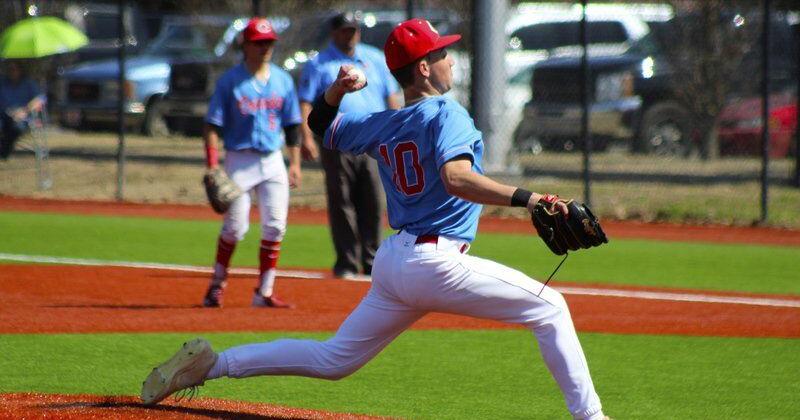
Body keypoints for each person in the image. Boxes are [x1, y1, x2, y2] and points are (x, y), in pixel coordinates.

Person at [142, 19, 609, 420]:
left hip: (395, 263)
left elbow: (321, 126)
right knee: (551, 309)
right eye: (443, 53)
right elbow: (456, 178)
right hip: (435, 262)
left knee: (333, 359)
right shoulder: (448, 112)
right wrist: (530, 199)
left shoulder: (384, 121)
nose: (451, 60)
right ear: (424, 67)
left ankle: (213, 363)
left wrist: (336, 90)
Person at [200, 17, 302, 309]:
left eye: (269, 42)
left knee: (275, 226)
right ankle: (216, 285)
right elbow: (212, 126)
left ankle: (264, 292)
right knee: (235, 228)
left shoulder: (282, 80)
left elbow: (293, 126)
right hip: (239, 160)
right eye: (259, 42)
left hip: (272, 160)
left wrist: (294, 163)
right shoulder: (230, 82)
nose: (265, 47)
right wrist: (212, 163)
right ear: (245, 45)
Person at [298, 12, 401, 279]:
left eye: (354, 30)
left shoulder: (375, 58)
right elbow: (307, 102)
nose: (351, 34)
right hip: (336, 138)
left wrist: (397, 130)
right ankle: (346, 261)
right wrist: (306, 137)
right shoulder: (319, 63)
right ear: (334, 33)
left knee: (372, 199)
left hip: (374, 139)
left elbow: (391, 96)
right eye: (345, 30)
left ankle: (371, 261)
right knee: (341, 199)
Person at [0, 61, 45, 160]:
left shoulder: (28, 84)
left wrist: (24, 110)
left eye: (14, 69)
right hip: (3, 116)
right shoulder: (2, 83)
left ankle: (4, 150)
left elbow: (40, 99)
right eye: (9, 69)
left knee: (17, 127)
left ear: (20, 70)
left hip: (23, 118)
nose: (11, 72)